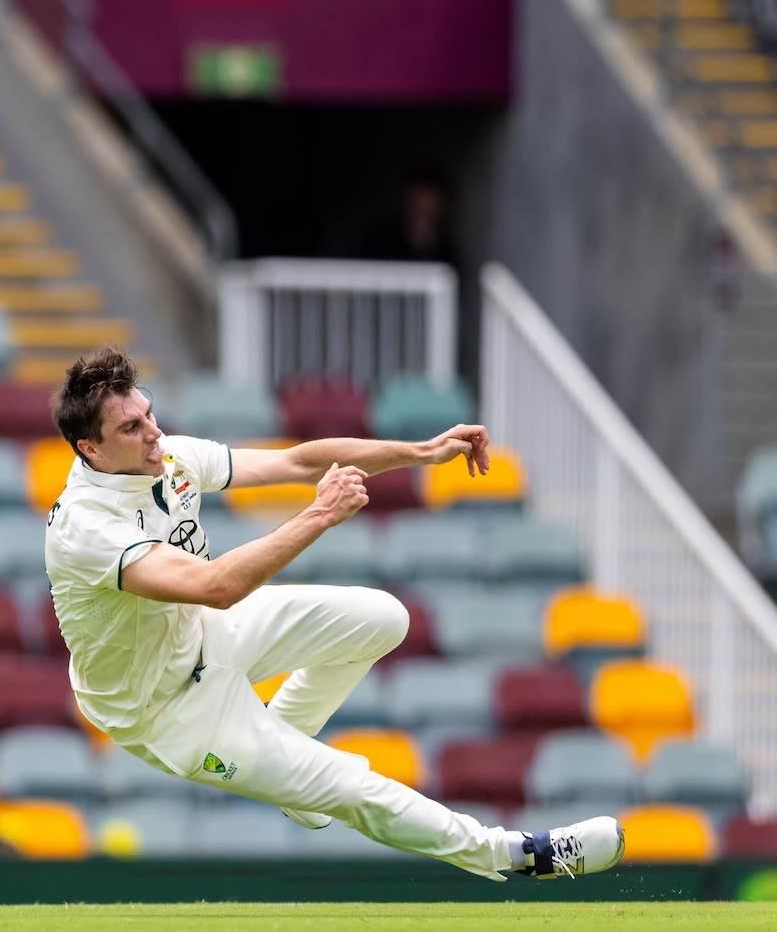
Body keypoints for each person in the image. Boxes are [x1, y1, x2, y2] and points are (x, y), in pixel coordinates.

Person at [43, 347, 624, 880]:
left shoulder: (165, 457)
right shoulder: (86, 528)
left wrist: (421, 451)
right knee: (346, 786)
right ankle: (515, 855)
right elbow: (215, 586)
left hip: (204, 637)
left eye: (148, 415)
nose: (154, 434)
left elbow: (300, 462)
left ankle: (289, 751)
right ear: (89, 449)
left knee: (383, 618)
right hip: (162, 708)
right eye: (131, 427)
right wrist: (319, 516)